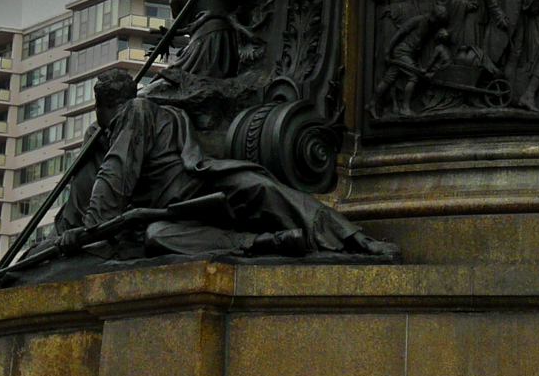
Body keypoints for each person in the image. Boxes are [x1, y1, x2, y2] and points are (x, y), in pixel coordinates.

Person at [55, 68, 399, 262]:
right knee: (158, 236)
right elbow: (91, 189)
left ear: (100, 107)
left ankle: (355, 239)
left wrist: (91, 228)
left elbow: (115, 173)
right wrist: (78, 233)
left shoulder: (137, 110)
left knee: (261, 187)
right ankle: (264, 243)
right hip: (168, 216)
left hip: (199, 185)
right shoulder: (99, 137)